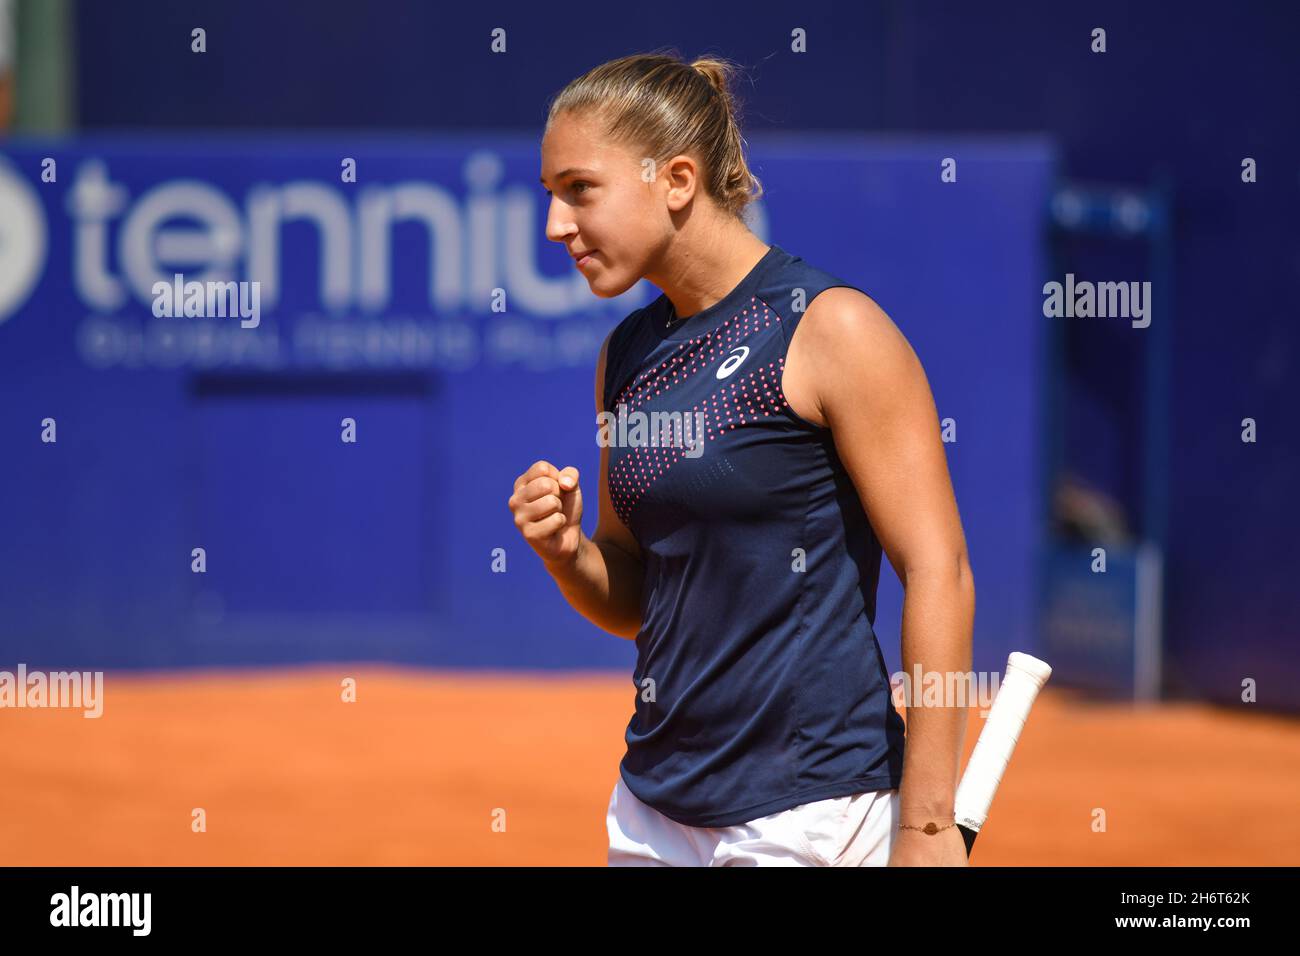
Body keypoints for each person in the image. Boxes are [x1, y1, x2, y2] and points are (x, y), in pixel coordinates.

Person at [511, 50, 974, 866]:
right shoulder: (625, 355)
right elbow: (638, 596)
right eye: (552, 195)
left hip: (808, 813)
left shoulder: (831, 329)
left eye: (579, 189)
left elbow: (939, 570)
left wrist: (929, 827)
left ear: (677, 180)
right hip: (654, 808)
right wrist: (567, 555)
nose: (555, 226)